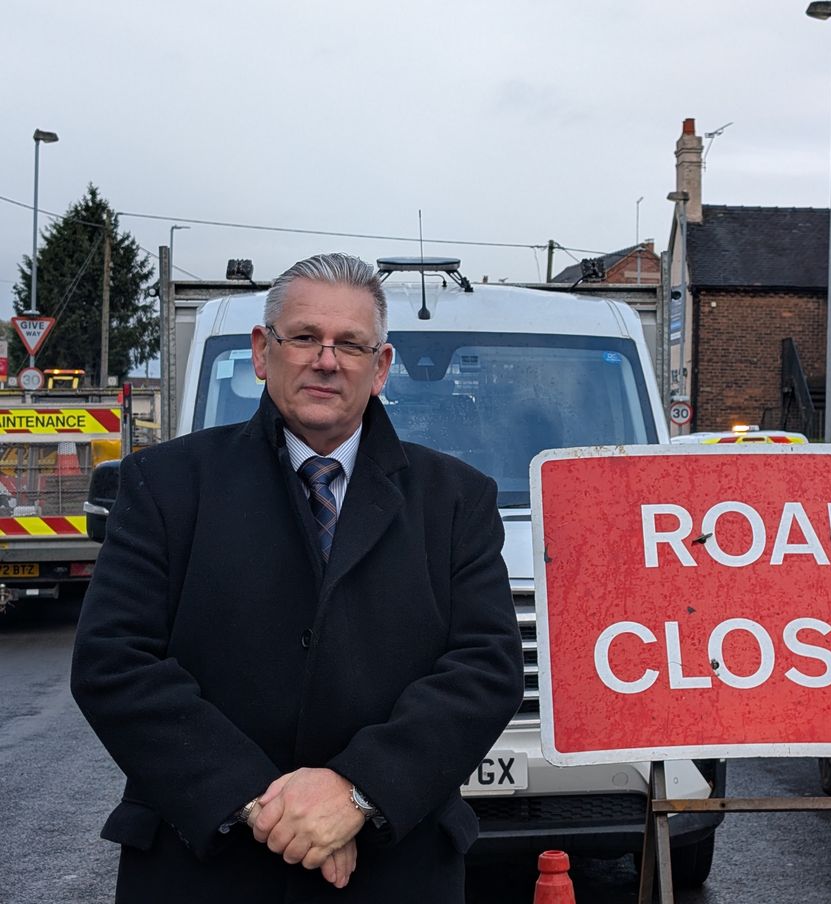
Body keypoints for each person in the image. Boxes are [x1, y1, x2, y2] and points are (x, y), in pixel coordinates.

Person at [71, 252, 525, 902]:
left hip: (395, 872)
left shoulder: (456, 501)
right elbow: (113, 663)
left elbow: (485, 669)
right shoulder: (166, 486)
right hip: (200, 869)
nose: (326, 359)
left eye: (350, 343)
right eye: (305, 337)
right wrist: (260, 803)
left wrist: (358, 791)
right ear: (263, 351)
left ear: (381, 367)